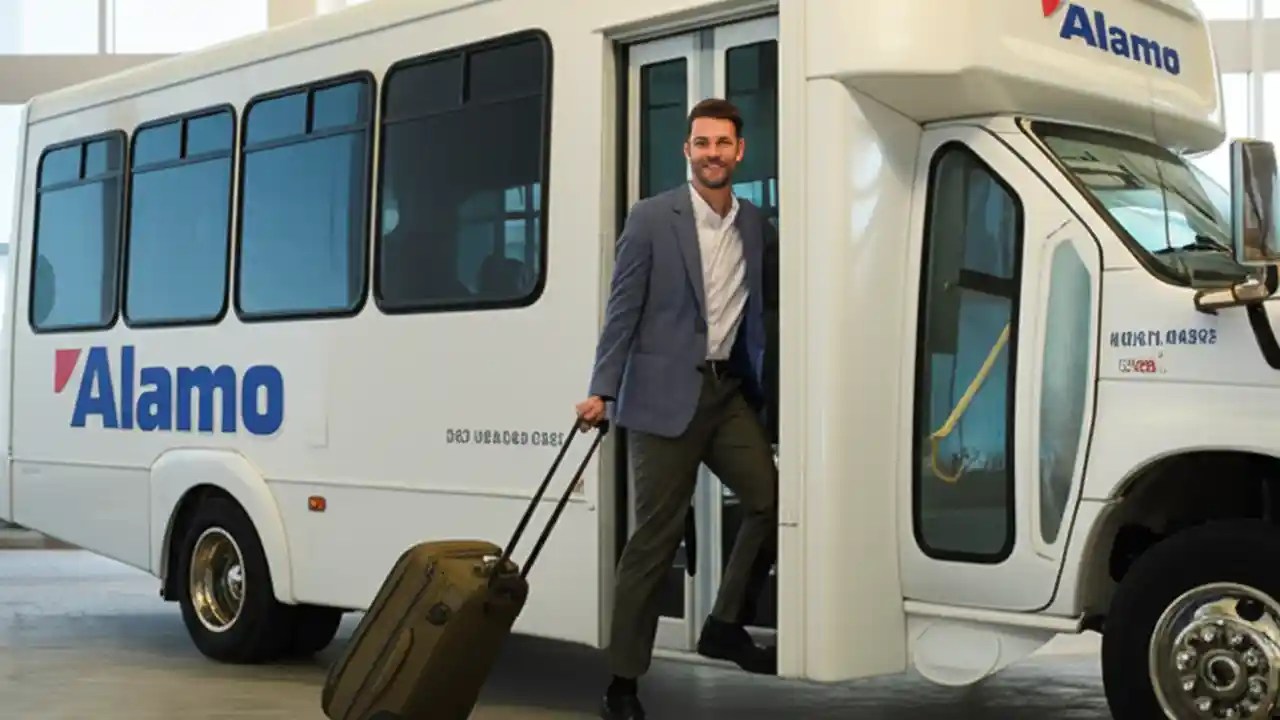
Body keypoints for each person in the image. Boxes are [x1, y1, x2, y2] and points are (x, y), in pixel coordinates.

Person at [576, 97, 779, 720]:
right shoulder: (650, 218)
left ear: (740, 152)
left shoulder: (756, 226)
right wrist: (602, 389)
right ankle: (623, 682)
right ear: (686, 151)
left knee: (773, 502)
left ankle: (724, 622)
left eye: (723, 143)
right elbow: (623, 308)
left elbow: (767, 313)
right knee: (653, 542)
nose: (712, 153)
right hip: (661, 399)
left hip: (723, 395)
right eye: (702, 143)